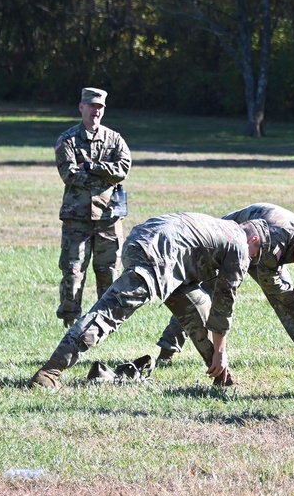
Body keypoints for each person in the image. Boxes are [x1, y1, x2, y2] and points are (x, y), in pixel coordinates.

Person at [29, 213, 269, 389]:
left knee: (198, 309)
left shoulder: (224, 227)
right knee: (108, 314)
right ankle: (50, 372)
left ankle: (223, 378)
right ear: (254, 239)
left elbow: (209, 310)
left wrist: (219, 353)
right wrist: (222, 351)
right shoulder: (239, 244)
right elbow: (224, 305)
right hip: (160, 255)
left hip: (151, 244)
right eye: (256, 253)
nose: (252, 260)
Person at [155, 203, 294, 369]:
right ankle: (167, 351)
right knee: (203, 295)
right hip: (234, 241)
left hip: (264, 250)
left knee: (289, 301)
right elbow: (272, 284)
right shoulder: (278, 237)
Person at [54, 87, 132, 328]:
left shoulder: (114, 139)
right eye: (91, 106)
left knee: (108, 271)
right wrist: (105, 175)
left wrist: (92, 167)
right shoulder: (67, 140)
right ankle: (70, 319)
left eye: (100, 107)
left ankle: (106, 320)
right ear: (81, 107)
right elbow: (69, 174)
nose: (95, 111)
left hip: (108, 218)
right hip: (77, 218)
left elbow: (123, 170)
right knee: (73, 271)